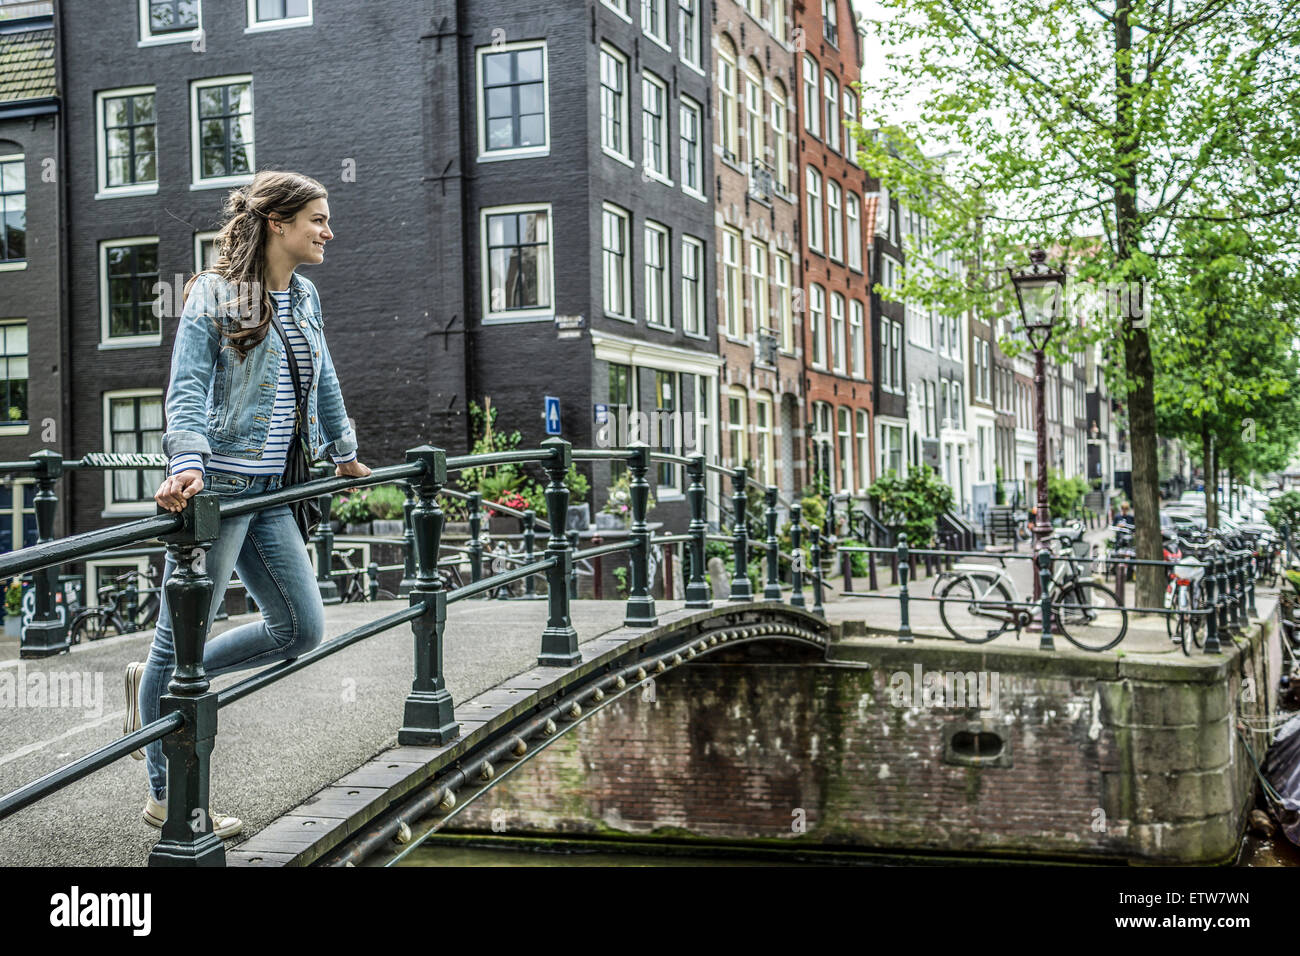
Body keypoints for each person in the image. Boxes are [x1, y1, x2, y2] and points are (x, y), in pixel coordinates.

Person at [122, 171, 371, 839]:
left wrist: (343, 450)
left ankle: (159, 682)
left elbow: (325, 379)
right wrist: (187, 467)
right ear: (277, 224)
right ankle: (167, 796)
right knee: (181, 646)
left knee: (300, 629)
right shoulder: (215, 294)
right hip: (222, 492)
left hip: (274, 492)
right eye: (317, 219)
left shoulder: (306, 297)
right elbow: (188, 389)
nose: (328, 231)